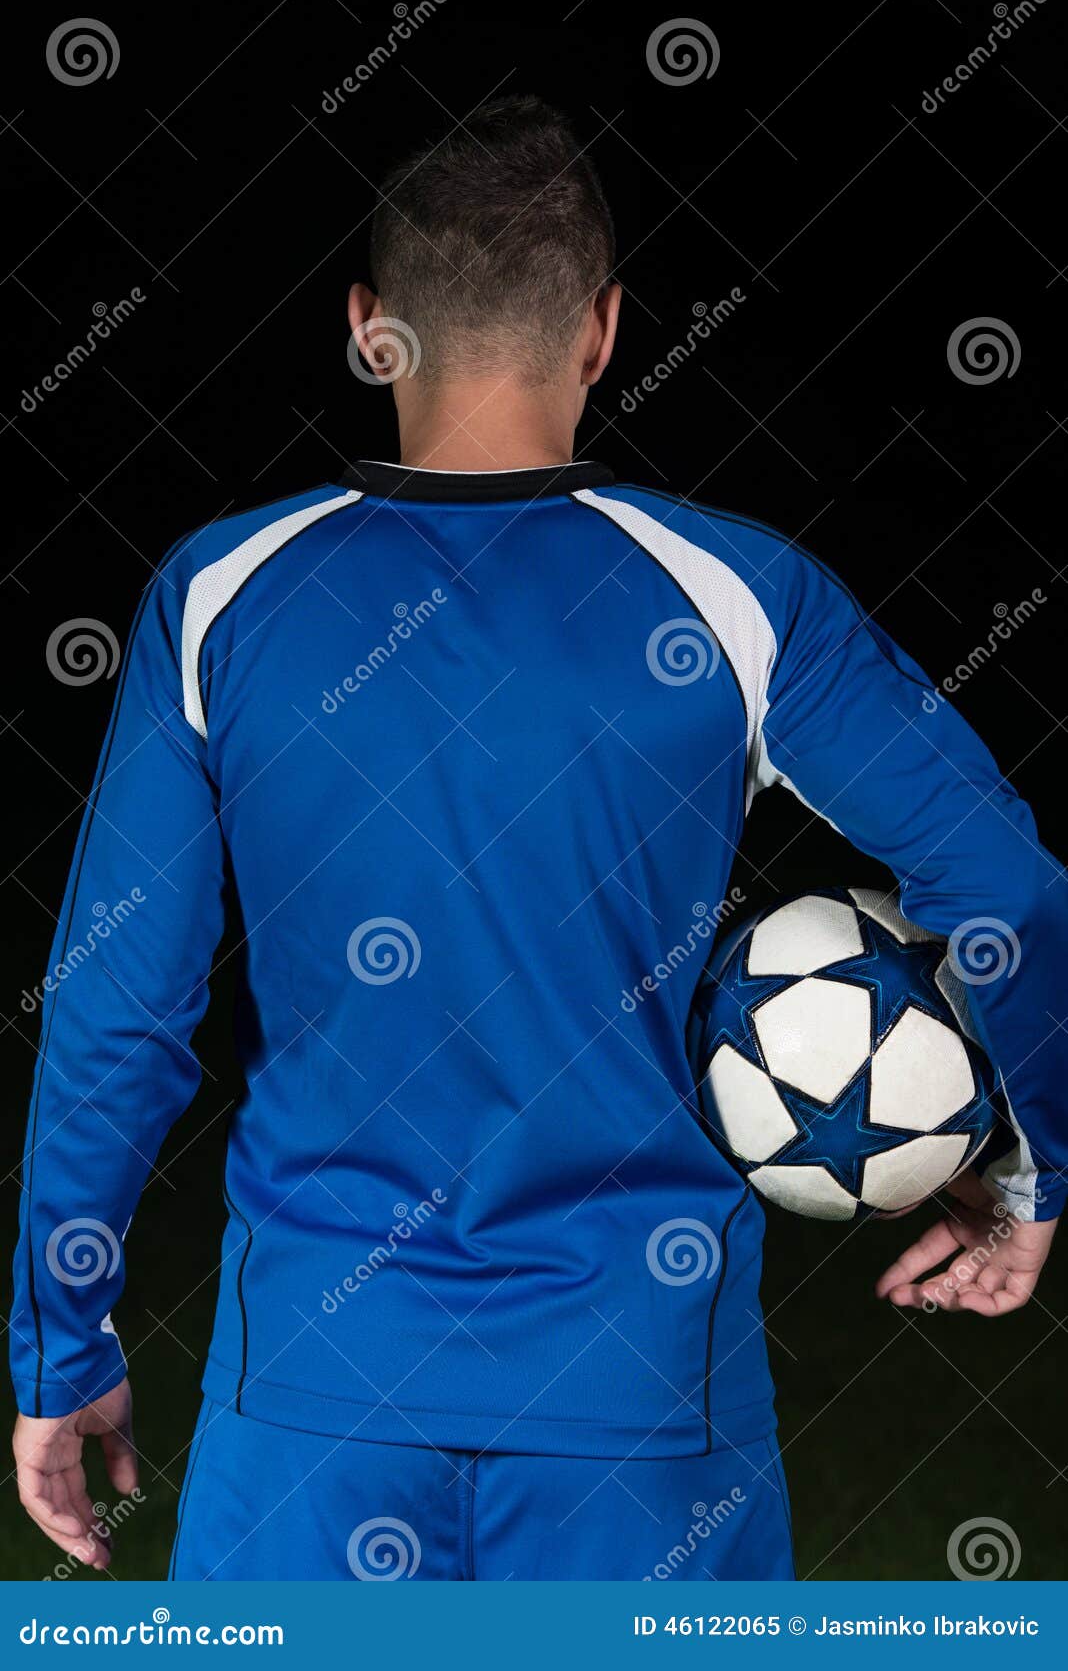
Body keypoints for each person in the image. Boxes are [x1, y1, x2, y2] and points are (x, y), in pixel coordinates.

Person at [10, 96, 1064, 1582]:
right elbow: (1005, 883)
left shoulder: (223, 593)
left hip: (315, 1411)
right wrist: (1034, 1168)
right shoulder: (737, 597)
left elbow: (121, 1007)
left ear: (372, 326)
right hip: (642, 1421)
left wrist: (62, 1341)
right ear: (605, 330)